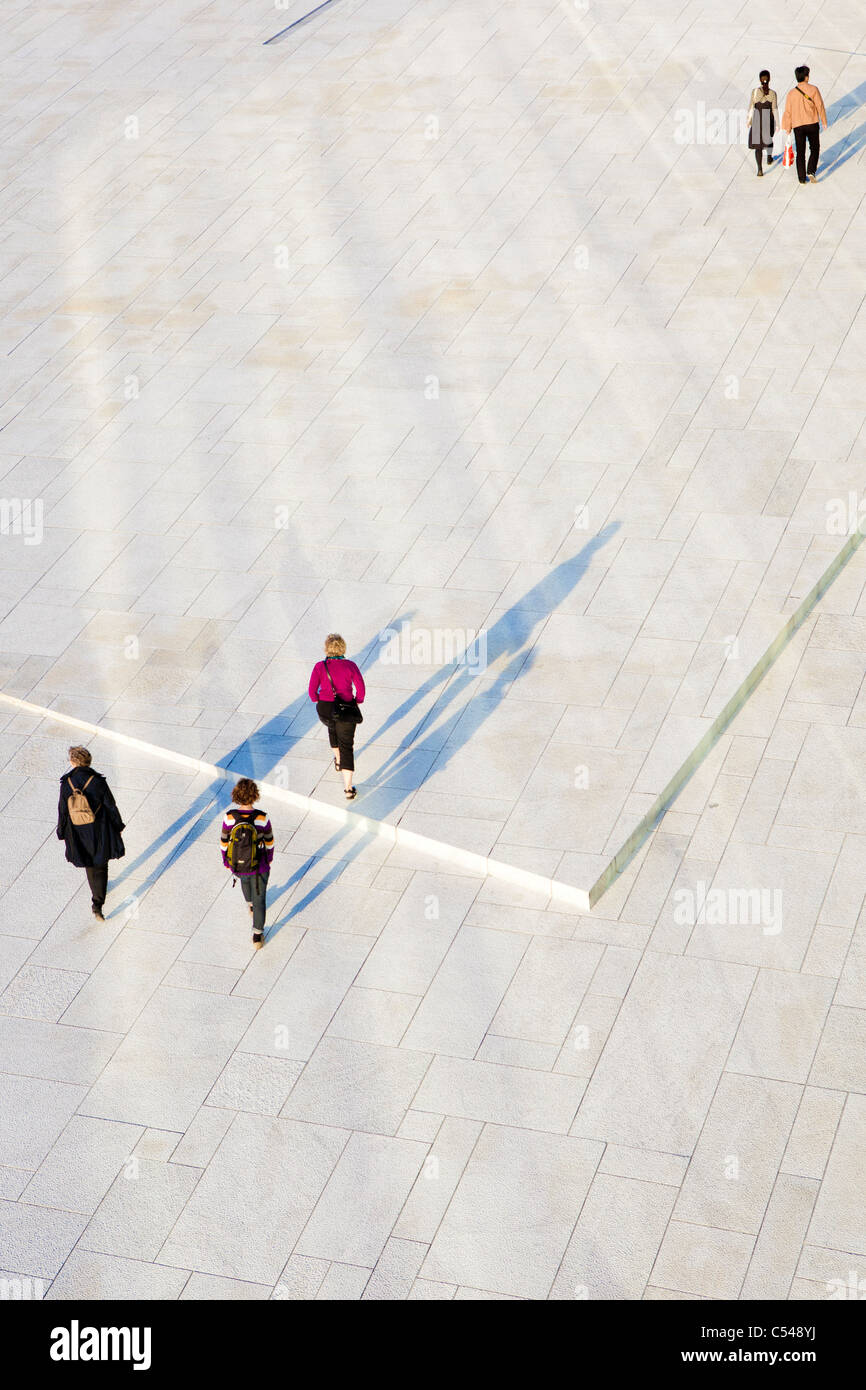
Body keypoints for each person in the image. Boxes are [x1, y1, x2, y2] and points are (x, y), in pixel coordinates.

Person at [56, 746, 126, 920]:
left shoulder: (67, 783)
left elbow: (63, 810)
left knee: (89, 863)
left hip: (78, 830)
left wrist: (62, 831)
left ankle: (96, 895)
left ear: (73, 762)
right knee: (101, 863)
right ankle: (97, 903)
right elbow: (110, 805)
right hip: (99, 827)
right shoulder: (98, 781)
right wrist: (118, 826)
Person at [308, 633, 365, 799]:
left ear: (327, 648)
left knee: (332, 728)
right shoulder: (350, 666)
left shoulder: (320, 666)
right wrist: (357, 700)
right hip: (345, 709)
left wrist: (319, 699)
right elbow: (361, 689)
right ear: (343, 647)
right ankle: (348, 788)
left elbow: (312, 692)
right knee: (346, 744)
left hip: (325, 708)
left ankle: (338, 760)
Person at [220, 779, 274, 949]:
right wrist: (269, 858)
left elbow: (224, 842)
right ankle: (257, 935)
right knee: (261, 899)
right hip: (259, 865)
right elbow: (269, 841)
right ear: (255, 795)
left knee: (244, 881)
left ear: (236, 796)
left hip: (238, 864)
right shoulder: (262, 817)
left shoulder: (229, 817)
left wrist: (226, 861)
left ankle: (249, 904)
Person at [781, 64, 828, 184]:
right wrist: (824, 121)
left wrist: (788, 127)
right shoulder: (814, 89)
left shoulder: (791, 93)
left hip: (798, 126)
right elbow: (820, 105)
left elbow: (788, 111)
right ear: (806, 77)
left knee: (800, 152)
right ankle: (811, 171)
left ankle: (801, 178)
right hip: (812, 123)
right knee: (815, 148)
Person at [747, 70, 778, 176]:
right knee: (769, 140)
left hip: (757, 120)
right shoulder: (773, 93)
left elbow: (751, 107)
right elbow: (774, 109)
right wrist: (777, 123)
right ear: (769, 79)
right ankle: (769, 158)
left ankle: (760, 169)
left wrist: (749, 121)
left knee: (758, 147)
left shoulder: (755, 92)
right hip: (767, 119)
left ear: (760, 80)